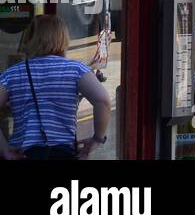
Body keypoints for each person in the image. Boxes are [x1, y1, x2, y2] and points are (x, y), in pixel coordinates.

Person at [0, 14, 112, 160]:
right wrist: (97, 139)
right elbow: (103, 101)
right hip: (63, 152)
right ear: (63, 38)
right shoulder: (76, 70)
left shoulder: (12, 73)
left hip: (24, 154)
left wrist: (4, 149)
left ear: (30, 38)